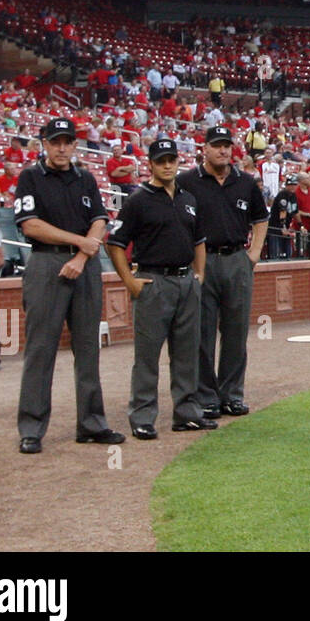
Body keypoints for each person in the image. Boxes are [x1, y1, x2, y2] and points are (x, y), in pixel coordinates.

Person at [15, 117, 124, 453]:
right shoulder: (30, 176)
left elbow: (100, 220)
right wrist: (80, 243)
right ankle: (31, 428)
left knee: (88, 348)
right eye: (55, 141)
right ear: (44, 144)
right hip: (47, 263)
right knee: (40, 349)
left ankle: (91, 423)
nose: (62, 148)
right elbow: (30, 226)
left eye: (67, 141)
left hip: (85, 267)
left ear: (76, 145)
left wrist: (81, 256)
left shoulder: (86, 178)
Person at [105, 137, 216, 439]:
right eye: (161, 161)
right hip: (154, 282)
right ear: (151, 164)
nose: (167, 166)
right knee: (147, 357)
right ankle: (142, 416)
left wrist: (200, 274)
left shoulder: (188, 198)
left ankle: (187, 413)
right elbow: (114, 243)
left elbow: (199, 241)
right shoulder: (138, 199)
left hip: (185, 281)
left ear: (178, 162)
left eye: (172, 160)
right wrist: (129, 281)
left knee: (186, 354)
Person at [177, 126, 268, 419]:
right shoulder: (186, 181)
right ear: (204, 148)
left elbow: (260, 218)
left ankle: (231, 394)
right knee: (201, 331)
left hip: (236, 259)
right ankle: (206, 396)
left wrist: (253, 253)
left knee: (235, 331)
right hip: (202, 261)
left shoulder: (245, 181)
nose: (223, 150)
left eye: (227, 145)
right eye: (217, 145)